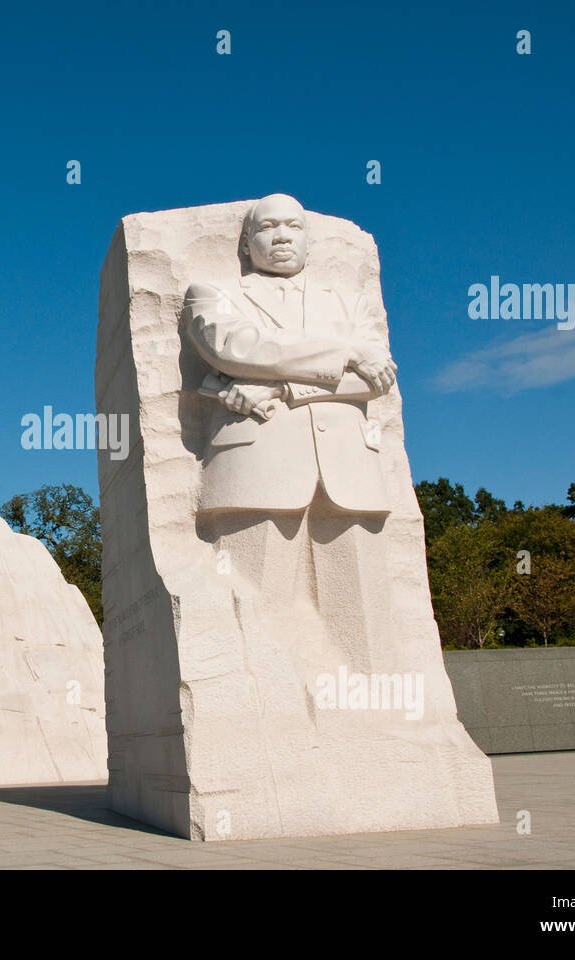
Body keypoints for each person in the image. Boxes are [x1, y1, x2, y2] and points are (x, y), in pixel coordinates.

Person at [182, 192, 399, 682]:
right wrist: (343, 353)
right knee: (258, 614)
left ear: (309, 240)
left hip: (351, 472)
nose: (282, 236)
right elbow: (234, 347)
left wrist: (279, 385)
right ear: (244, 241)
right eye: (267, 227)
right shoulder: (212, 294)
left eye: (293, 227)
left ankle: (375, 726)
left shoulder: (350, 302)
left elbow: (375, 380)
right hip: (257, 466)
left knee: (365, 625)